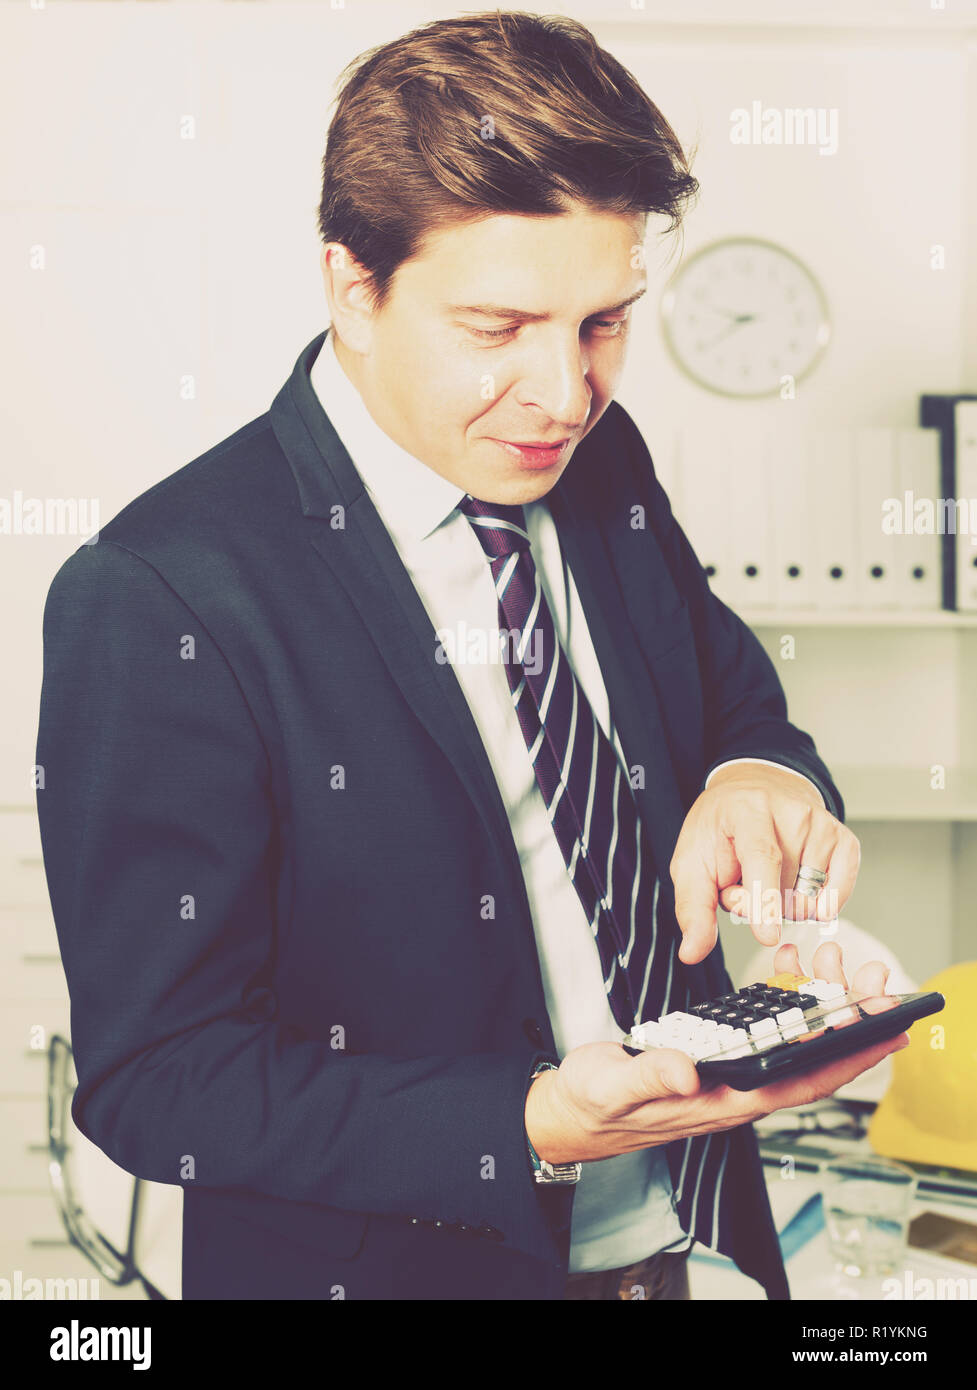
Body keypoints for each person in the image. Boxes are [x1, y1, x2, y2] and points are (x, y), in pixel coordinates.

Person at [34, 11, 907, 1302]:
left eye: (603, 320)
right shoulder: (158, 590)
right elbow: (162, 1080)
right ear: (352, 285)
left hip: (688, 1246)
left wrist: (755, 774)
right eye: (497, 327)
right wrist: (532, 1122)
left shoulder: (600, 459)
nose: (564, 391)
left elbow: (727, 692)